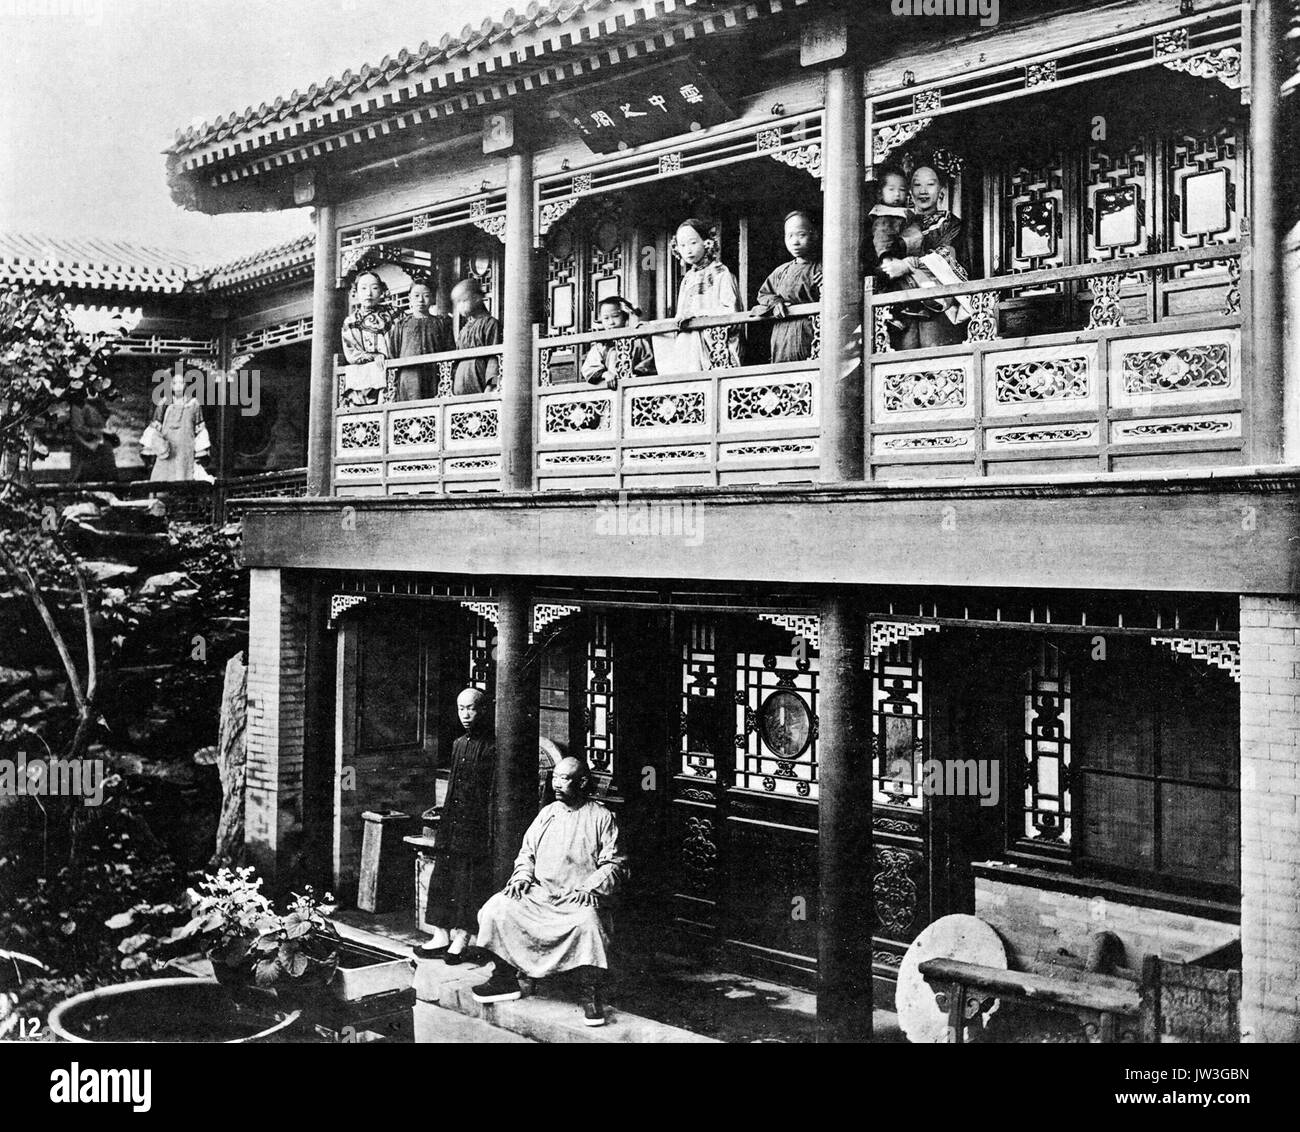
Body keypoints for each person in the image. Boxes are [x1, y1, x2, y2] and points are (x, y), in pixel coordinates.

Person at [472, 756, 627, 1027]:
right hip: (540, 894)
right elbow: (526, 854)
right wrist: (521, 877)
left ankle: (590, 994)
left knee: (588, 924)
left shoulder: (601, 817)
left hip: (575, 897)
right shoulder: (548, 813)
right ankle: (504, 977)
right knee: (498, 908)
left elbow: (614, 862)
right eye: (555, 777)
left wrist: (591, 887)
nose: (557, 784)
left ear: (581, 782)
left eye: (564, 779)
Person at [413, 688, 497, 964]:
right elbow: (451, 790)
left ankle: (461, 938)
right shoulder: (458, 744)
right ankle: (441, 935)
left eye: (471, 708)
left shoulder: (492, 748)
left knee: (467, 884)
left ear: (483, 710)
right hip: (452, 825)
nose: (466, 715)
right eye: (461, 709)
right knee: (443, 878)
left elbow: (491, 796)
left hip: (475, 828)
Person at [886, 163, 970, 350]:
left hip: (939, 308)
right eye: (917, 185)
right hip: (903, 310)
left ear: (940, 190)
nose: (923, 191)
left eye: (930, 184)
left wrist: (908, 266)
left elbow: (949, 255)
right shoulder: (897, 223)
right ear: (910, 190)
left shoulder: (951, 224)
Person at [670, 217, 742, 371]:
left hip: (715, 345)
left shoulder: (721, 273)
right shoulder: (687, 279)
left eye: (693, 243)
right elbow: (680, 316)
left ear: (706, 242)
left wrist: (697, 315)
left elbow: (731, 312)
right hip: (689, 346)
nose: (688, 249)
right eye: (682, 245)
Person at [751, 210, 823, 363]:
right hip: (783, 335)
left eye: (801, 235)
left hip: (809, 332)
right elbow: (764, 293)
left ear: (814, 235)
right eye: (790, 236)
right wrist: (776, 302)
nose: (795, 241)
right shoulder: (781, 271)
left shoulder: (821, 268)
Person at [388, 279, 454, 401]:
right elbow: (393, 354)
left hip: (433, 376)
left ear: (433, 298)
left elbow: (450, 350)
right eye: (416, 296)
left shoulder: (441, 323)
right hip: (408, 377)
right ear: (409, 298)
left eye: (426, 296)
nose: (421, 300)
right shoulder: (401, 325)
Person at [339, 270, 394, 406]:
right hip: (362, 375)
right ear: (356, 293)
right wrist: (374, 356)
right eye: (363, 288)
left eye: (374, 288)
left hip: (389, 372)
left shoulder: (392, 315)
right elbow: (351, 354)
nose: (369, 293)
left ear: (381, 291)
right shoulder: (351, 322)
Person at [581, 296, 655, 389]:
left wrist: (636, 373)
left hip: (636, 388)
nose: (611, 322)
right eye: (606, 318)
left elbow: (648, 362)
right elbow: (589, 368)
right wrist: (605, 374)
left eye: (615, 316)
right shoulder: (600, 345)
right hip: (609, 391)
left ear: (625, 317)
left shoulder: (638, 341)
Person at [148, 371, 205, 482]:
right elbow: (155, 428)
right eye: (175, 383)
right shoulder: (164, 403)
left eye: (181, 382)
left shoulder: (194, 404)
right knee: (164, 476)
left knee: (184, 475)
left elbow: (200, 429)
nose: (178, 386)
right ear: (170, 385)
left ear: (186, 385)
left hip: (186, 447)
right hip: (168, 447)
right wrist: (160, 446)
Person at [451, 278, 501, 396]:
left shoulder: (490, 323)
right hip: (460, 384)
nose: (460, 306)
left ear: (477, 298)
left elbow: (494, 358)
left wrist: (491, 385)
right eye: (457, 302)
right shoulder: (464, 329)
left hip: (479, 381)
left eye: (463, 300)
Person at [68, 393, 118, 482]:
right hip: (84, 444)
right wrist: (99, 432)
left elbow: (107, 419)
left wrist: (109, 426)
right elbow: (78, 427)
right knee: (81, 477)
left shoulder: (99, 403)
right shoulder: (78, 405)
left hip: (101, 443)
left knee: (109, 474)